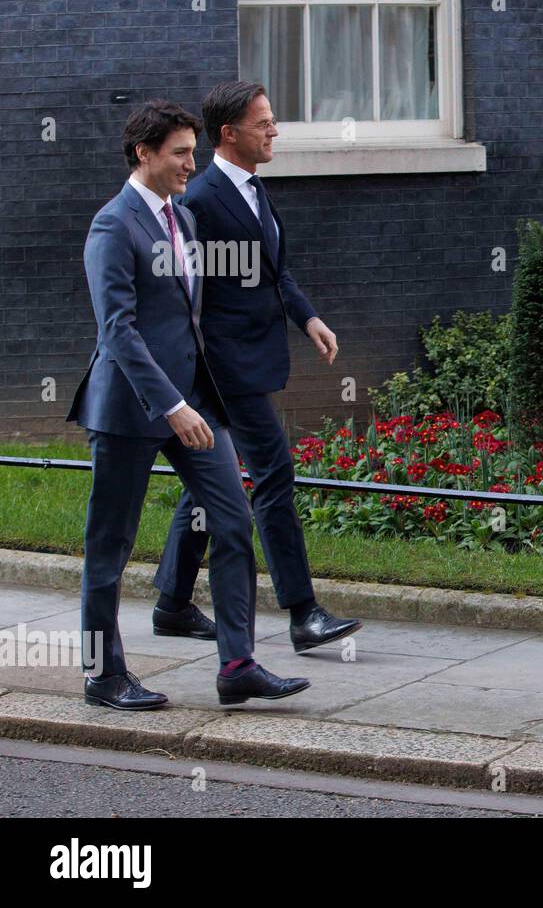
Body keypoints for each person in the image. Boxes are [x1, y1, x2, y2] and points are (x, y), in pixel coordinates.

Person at [69, 99, 310, 709]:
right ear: (142, 154)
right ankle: (103, 675)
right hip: (131, 408)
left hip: (192, 404)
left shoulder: (184, 220)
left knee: (231, 519)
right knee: (109, 548)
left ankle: (237, 665)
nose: (190, 164)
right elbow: (118, 330)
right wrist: (171, 403)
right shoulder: (112, 225)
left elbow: (188, 316)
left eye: (193, 152)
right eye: (178, 153)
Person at [151, 81, 361, 654]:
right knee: (273, 475)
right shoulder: (200, 198)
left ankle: (171, 602)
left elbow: (275, 271)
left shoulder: (249, 188)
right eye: (264, 123)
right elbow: (181, 292)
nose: (274, 131)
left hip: (250, 359)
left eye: (272, 121)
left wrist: (308, 317)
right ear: (229, 134)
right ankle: (303, 612)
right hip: (223, 367)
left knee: (210, 481)